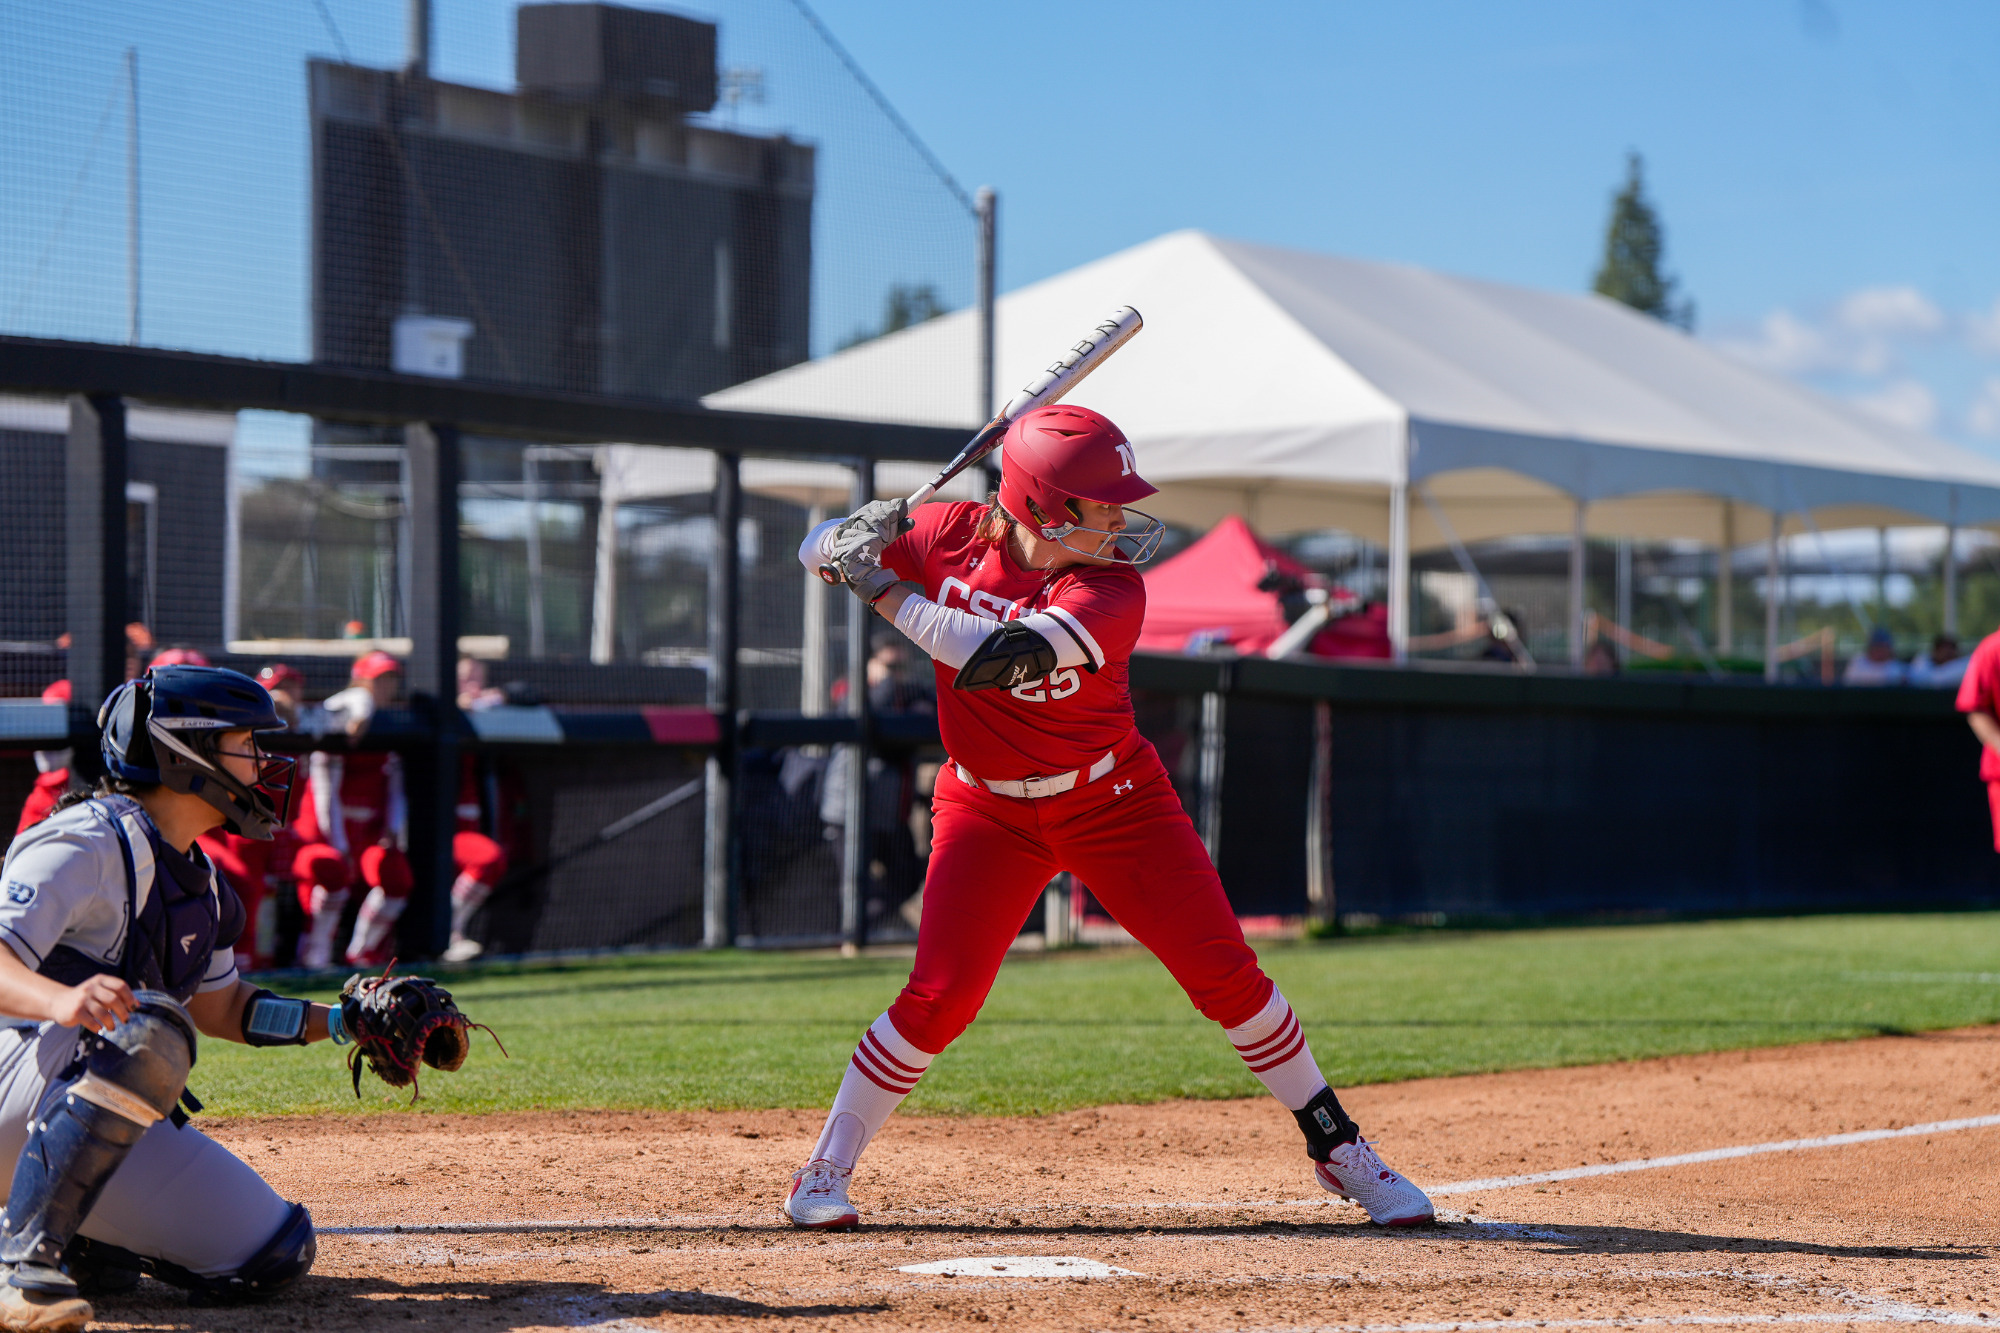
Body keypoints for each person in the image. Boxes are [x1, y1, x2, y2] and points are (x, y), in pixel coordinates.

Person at [781, 404, 1434, 1231]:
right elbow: (814, 548)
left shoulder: (1110, 587)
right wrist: (843, 539)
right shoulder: (943, 532)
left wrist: (874, 580)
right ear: (1046, 508)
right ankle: (824, 1171)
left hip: (1113, 799)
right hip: (986, 807)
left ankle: (1336, 1146)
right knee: (938, 996)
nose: (1122, 518)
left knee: (1226, 975)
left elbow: (991, 660)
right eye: (1103, 504)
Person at [0, 665, 344, 1329]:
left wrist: (344, 1022)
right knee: (147, 1028)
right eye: (244, 742)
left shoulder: (201, 876)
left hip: (59, 1096)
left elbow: (225, 1008)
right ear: (183, 750)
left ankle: (76, 1235)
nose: (261, 761)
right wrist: (59, 1001)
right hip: (12, 1075)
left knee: (269, 1251)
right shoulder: (84, 840)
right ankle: (22, 1261)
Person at [293, 651, 409, 968]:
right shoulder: (341, 708)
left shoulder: (393, 722)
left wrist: (395, 829)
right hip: (324, 833)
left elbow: (396, 787)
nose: (385, 687)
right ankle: (315, 954)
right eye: (378, 680)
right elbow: (324, 788)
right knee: (331, 870)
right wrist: (339, 844)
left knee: (397, 878)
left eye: (391, 680)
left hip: (368, 833)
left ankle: (362, 953)